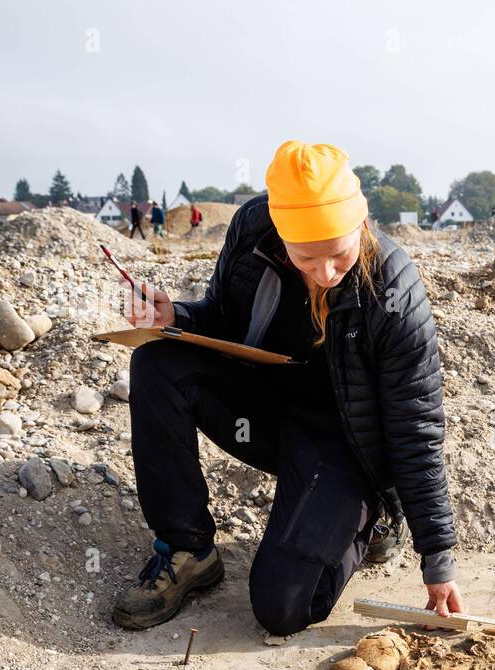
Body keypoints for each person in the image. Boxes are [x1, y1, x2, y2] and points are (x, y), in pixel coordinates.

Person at [112, 140, 462, 635]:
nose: (325, 274)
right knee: (156, 361)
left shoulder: (394, 292)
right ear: (281, 234)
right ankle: (189, 548)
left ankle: (373, 518)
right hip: (269, 413)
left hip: (345, 445)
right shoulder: (253, 228)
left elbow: (416, 428)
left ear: (360, 225)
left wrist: (438, 559)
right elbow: (227, 319)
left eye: (339, 256)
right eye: (306, 257)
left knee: (283, 609)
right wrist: (178, 316)